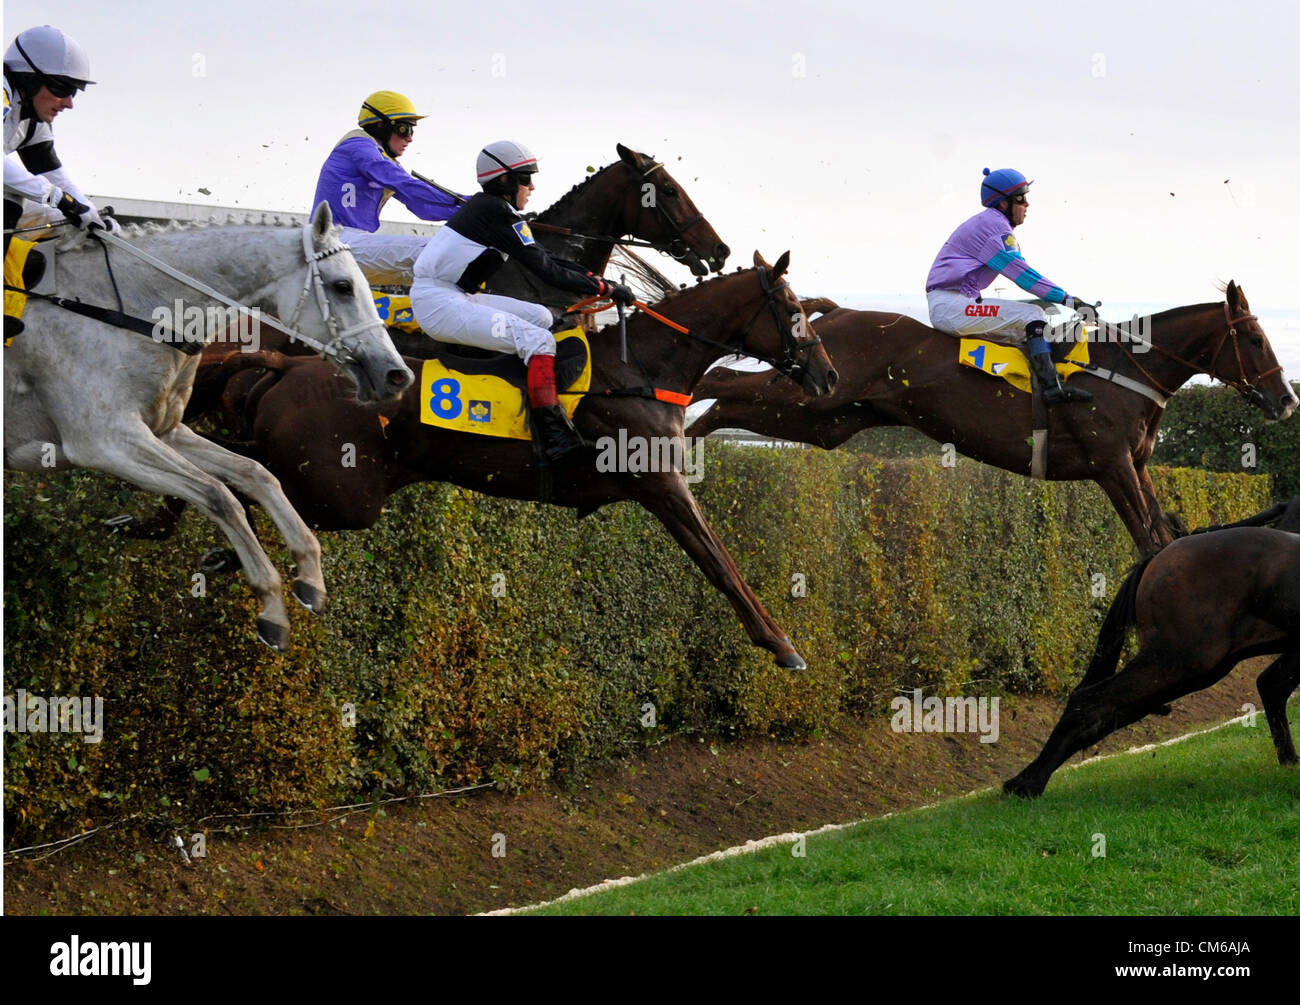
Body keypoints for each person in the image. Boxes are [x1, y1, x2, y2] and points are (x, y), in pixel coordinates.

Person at [410, 140, 635, 462]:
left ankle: (526, 383)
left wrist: (604, 284)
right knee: (540, 340)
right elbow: (548, 272)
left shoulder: (494, 210)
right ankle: (553, 434)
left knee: (542, 317)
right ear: (504, 180)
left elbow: (547, 259)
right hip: (440, 304)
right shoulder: (496, 212)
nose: (532, 185)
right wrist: (604, 289)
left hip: (456, 296)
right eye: (526, 177)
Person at [926, 167, 1095, 405]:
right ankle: (1050, 387)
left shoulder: (992, 224)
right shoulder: (994, 228)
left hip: (957, 302)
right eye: (1021, 198)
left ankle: (1022, 397)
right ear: (1003, 204)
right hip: (951, 306)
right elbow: (1025, 277)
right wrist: (1071, 301)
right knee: (1033, 314)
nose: (1027, 205)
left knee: (1026, 332)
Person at [311, 90, 464, 284]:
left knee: (436, 275)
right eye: (405, 129)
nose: (410, 138)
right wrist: (465, 201)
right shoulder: (358, 145)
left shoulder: (384, 159)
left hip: (352, 245)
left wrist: (468, 214)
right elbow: (404, 183)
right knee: (436, 252)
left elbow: (422, 207)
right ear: (381, 125)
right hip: (334, 241)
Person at [4, 25, 106, 259]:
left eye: (75, 91)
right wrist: (56, 197)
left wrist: (90, 214)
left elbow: (57, 178)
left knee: (59, 220)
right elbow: (53, 191)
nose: (69, 103)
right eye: (62, 88)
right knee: (12, 195)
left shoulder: (32, 120)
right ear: (29, 80)